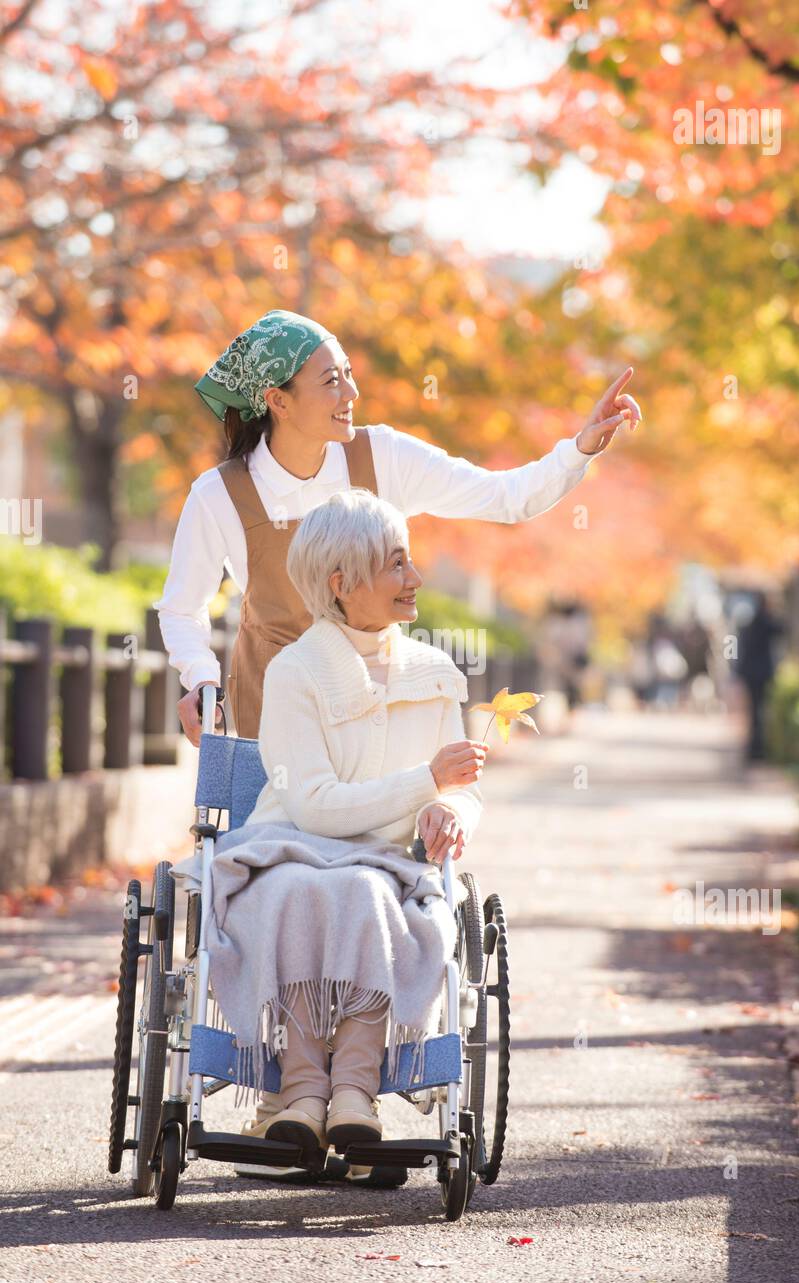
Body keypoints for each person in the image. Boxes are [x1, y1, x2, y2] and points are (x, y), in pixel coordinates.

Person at [153, 308, 642, 743]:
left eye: (348, 374)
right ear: (278, 401)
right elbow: (182, 609)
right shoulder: (220, 494)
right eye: (331, 381)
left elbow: (505, 498)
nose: (352, 392)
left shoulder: (382, 456)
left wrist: (580, 447)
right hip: (276, 715)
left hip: (378, 707)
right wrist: (201, 678)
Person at [208, 489, 487, 1170]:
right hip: (289, 849)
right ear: (341, 581)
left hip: (386, 862)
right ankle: (301, 1095)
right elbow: (313, 808)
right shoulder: (296, 672)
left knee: (365, 891)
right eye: (396, 565)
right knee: (299, 891)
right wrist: (425, 781)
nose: (414, 580)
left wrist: (451, 811)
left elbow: (463, 793)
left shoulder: (433, 674)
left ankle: (353, 1094)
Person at [735, 593, 785, 761]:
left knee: (755, 712)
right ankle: (757, 749)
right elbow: (782, 629)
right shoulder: (763, 621)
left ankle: (755, 748)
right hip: (760, 674)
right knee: (758, 712)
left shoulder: (750, 622)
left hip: (751, 673)